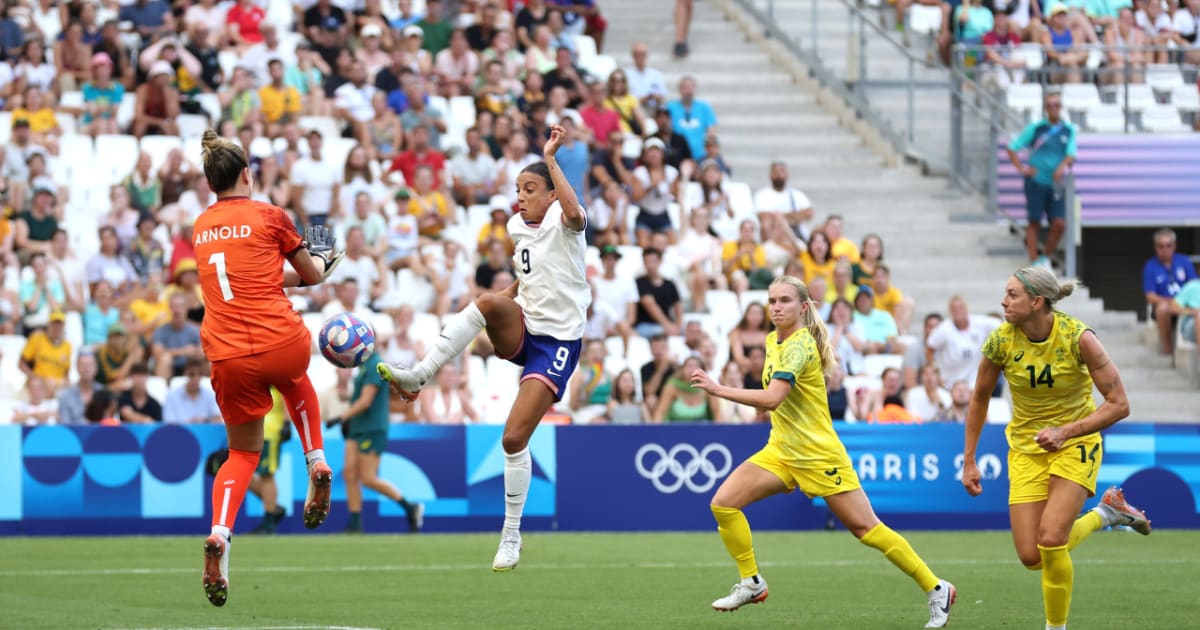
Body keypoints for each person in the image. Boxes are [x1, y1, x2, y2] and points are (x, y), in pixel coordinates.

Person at [378, 124, 589, 572]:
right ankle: (419, 375)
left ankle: (511, 534)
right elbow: (527, 275)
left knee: (513, 438)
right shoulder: (517, 226)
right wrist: (501, 306)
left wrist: (551, 159)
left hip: (558, 343)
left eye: (531, 189)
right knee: (488, 300)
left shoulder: (563, 220)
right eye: (518, 189)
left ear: (551, 193)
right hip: (526, 328)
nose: (521, 196)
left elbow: (575, 215)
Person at [688, 275, 956, 625]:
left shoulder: (801, 345)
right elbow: (775, 396)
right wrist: (765, 407)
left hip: (818, 455)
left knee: (866, 529)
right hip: (782, 450)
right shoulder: (773, 340)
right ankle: (751, 581)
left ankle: (936, 588)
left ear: (803, 307)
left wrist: (719, 389)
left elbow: (773, 395)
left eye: (784, 300)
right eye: (772, 300)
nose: (776, 307)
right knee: (723, 504)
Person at [194, 129, 343, 607]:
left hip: (228, 352)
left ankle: (220, 532)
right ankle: (316, 458)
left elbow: (248, 274)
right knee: (297, 380)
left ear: (210, 183)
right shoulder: (270, 215)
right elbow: (313, 275)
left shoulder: (200, 227)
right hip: (280, 338)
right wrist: (321, 257)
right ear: (247, 175)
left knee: (242, 454)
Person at [962, 265, 1152, 630]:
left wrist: (1067, 431)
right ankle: (1106, 514)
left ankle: (1055, 627)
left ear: (1037, 302)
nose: (1003, 301)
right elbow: (979, 399)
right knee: (1032, 557)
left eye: (1012, 295)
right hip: (1025, 450)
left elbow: (1119, 403)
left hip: (1075, 445)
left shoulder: (1078, 338)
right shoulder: (1000, 341)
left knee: (1051, 539)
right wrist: (969, 460)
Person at [329, 350, 424, 534]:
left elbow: (367, 400)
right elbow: (363, 397)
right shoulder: (364, 365)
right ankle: (355, 523)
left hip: (372, 428)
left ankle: (411, 508)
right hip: (358, 426)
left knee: (367, 478)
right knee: (349, 473)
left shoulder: (375, 365)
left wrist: (342, 417)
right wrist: (349, 405)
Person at [1006, 89, 1076, 268]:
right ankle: (1033, 261)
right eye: (1050, 105)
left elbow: (1071, 154)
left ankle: (1045, 256)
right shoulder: (1036, 128)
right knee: (1034, 222)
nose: (1053, 108)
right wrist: (1021, 169)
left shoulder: (1068, 130)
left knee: (1059, 223)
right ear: (1045, 108)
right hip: (1036, 182)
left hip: (1055, 185)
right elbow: (1013, 147)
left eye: (1056, 105)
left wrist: (1061, 167)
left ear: (1061, 107)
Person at [1143, 228, 1196, 355]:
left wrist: (1181, 301)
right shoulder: (1150, 266)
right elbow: (1150, 296)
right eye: (1161, 246)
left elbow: (1194, 286)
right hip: (1164, 306)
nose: (1165, 249)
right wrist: (1172, 301)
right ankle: (1167, 349)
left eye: (1168, 245)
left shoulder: (1184, 261)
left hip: (1184, 303)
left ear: (1174, 245)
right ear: (1156, 247)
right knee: (1162, 308)